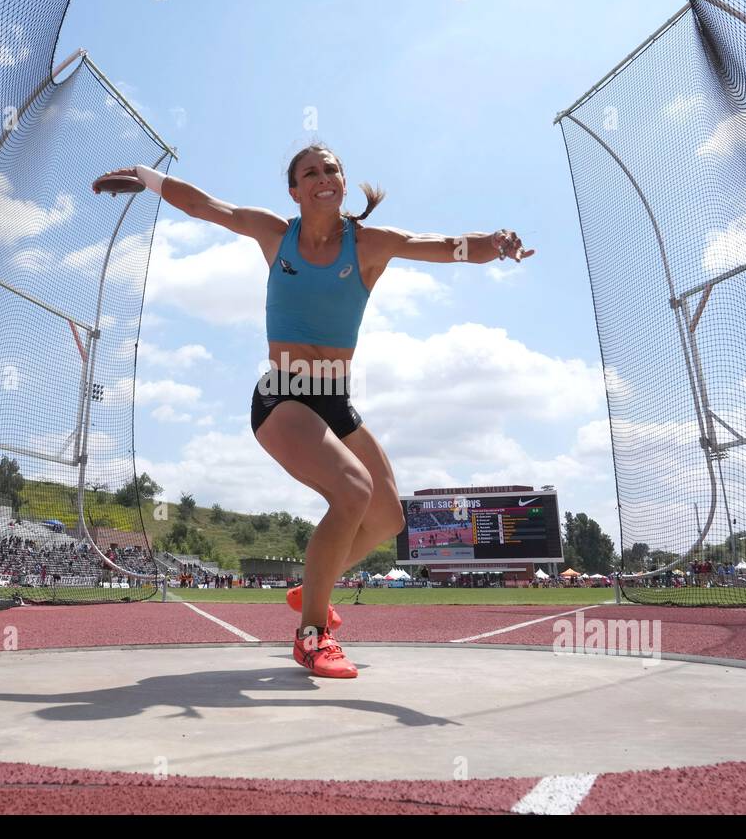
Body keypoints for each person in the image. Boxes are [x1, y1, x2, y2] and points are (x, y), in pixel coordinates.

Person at [97, 144, 531, 677]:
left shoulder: (371, 243)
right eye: (311, 173)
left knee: (389, 517)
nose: (323, 177)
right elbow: (206, 206)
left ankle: (313, 588)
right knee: (353, 490)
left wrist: (494, 244)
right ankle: (312, 634)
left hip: (335, 398)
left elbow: (442, 246)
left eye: (332, 169)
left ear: (343, 182)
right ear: (295, 191)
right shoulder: (275, 235)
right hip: (283, 394)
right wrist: (146, 177)